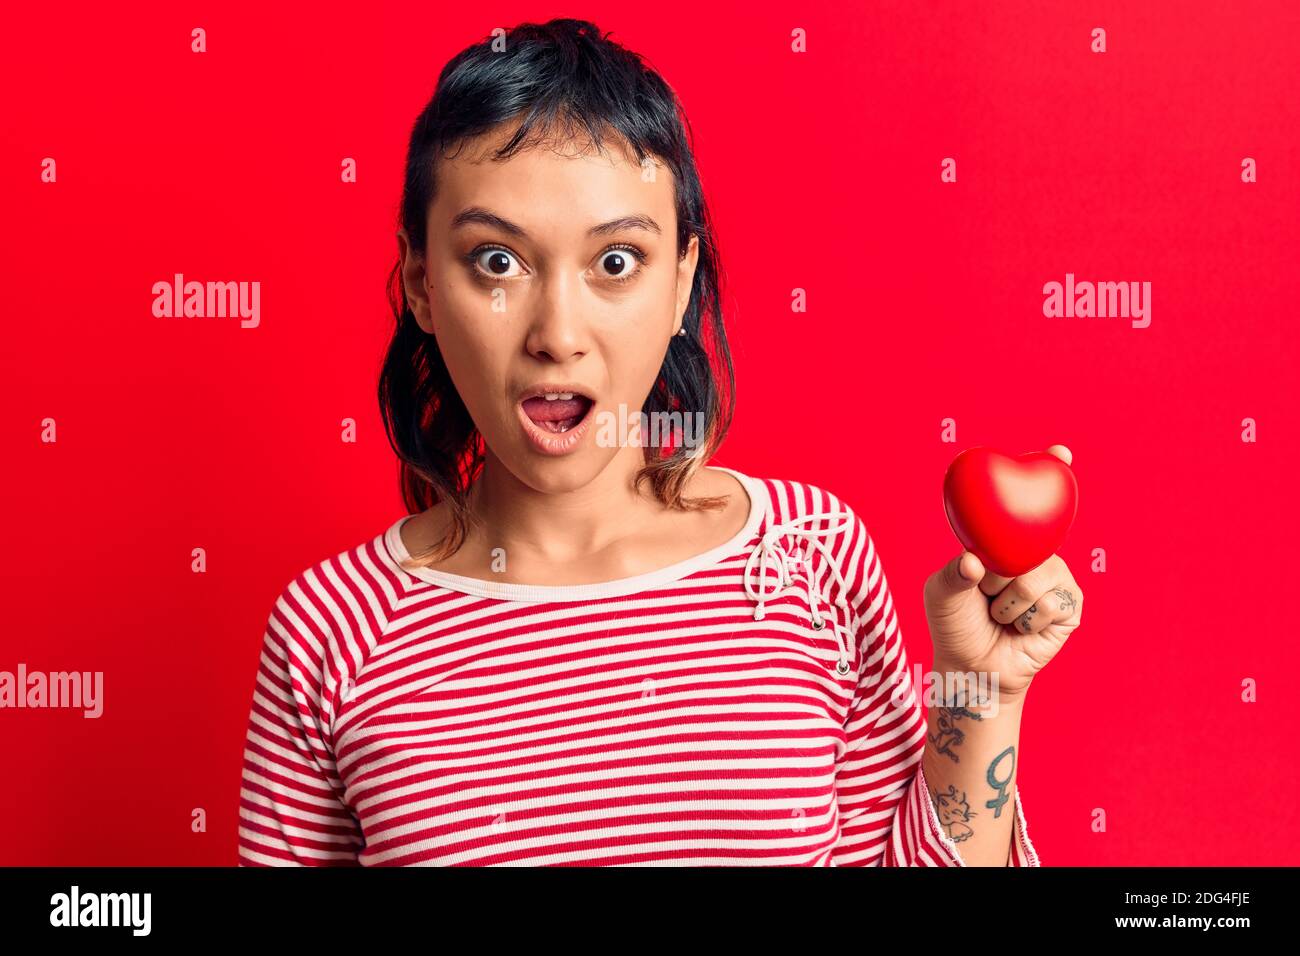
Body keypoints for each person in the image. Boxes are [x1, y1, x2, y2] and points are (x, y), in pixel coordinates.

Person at [237, 17, 1083, 867]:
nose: (557, 334)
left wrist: (987, 690)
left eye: (615, 263)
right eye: (497, 261)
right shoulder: (328, 633)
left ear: (682, 280)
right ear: (423, 283)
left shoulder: (808, 555)